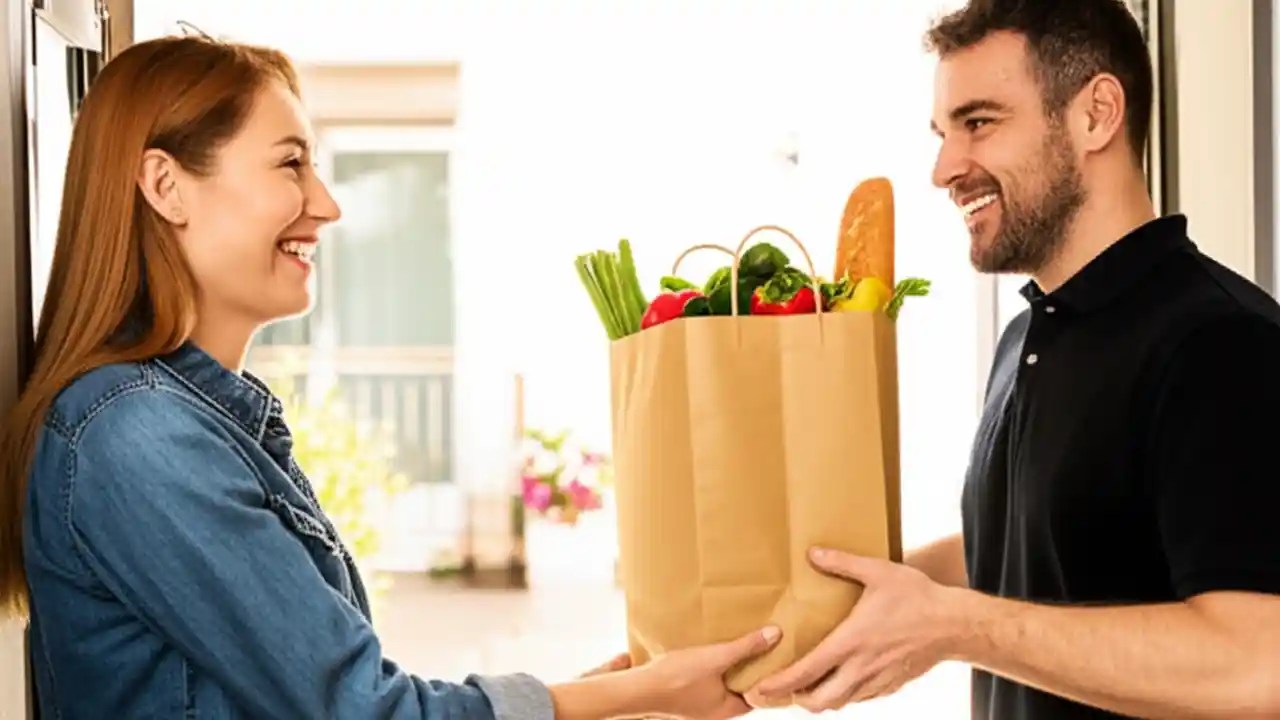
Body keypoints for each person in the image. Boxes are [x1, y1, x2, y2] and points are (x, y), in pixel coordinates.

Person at [0, 35, 781, 720]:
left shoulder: (184, 424)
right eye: (291, 164)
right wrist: (639, 693)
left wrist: (593, 701)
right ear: (166, 186)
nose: (328, 204)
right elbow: (365, 712)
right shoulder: (139, 436)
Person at [746, 0, 1280, 718]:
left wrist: (953, 626)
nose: (943, 169)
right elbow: (1024, 541)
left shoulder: (1220, 343)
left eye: (978, 123)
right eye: (942, 132)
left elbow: (1256, 664)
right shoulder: (1029, 336)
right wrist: (825, 601)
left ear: (1096, 114)